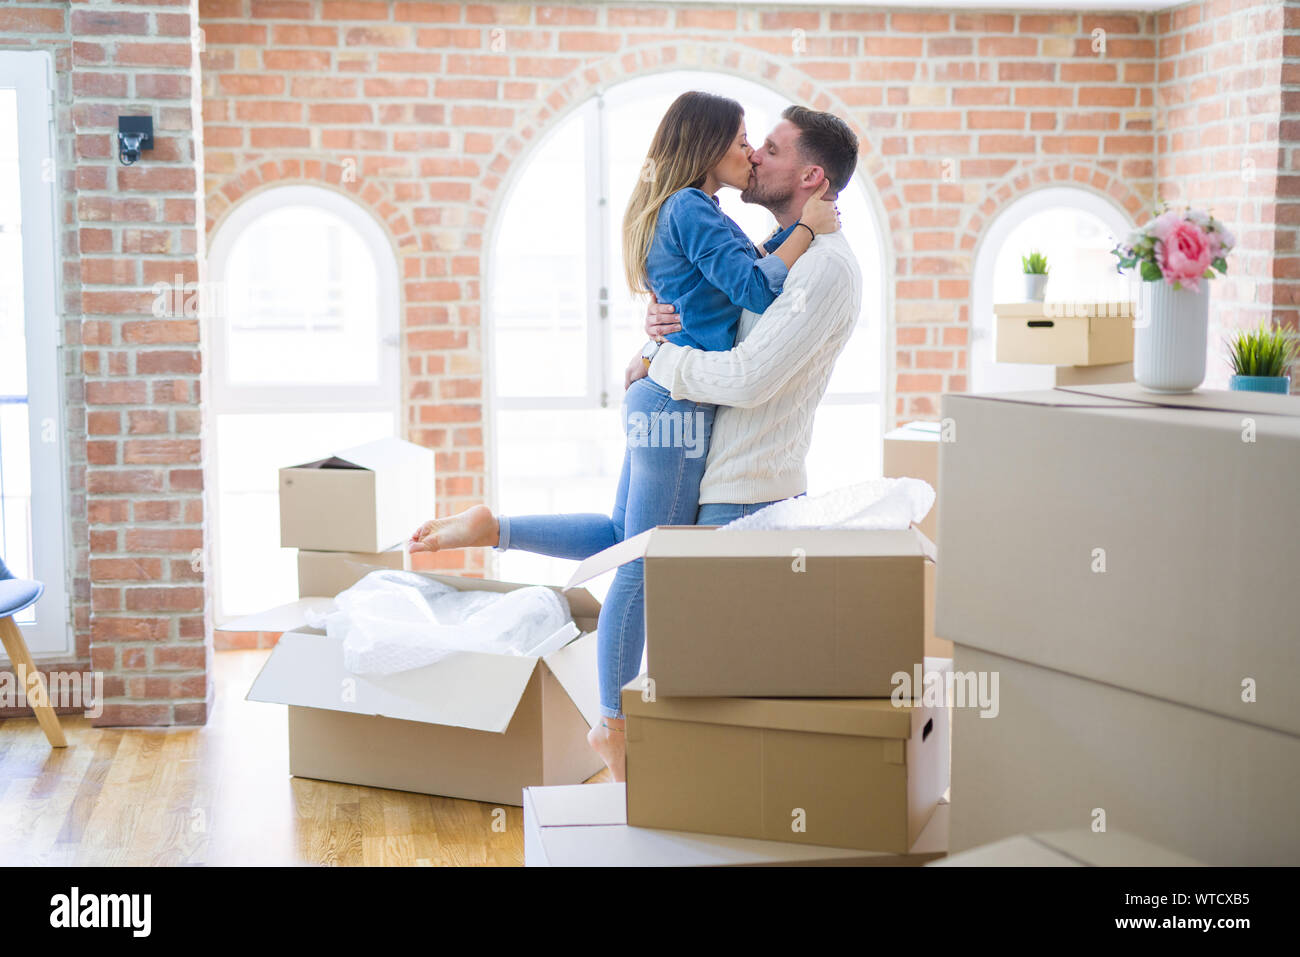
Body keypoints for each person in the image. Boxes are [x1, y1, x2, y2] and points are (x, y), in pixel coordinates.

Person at [409, 93, 839, 780]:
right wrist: (810, 231)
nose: (749, 152)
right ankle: (612, 724)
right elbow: (757, 290)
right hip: (675, 404)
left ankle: (497, 527)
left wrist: (652, 343)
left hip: (659, 397)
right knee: (642, 560)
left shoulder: (693, 211)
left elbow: (733, 278)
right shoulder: (692, 209)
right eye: (738, 141)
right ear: (704, 148)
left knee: (622, 532)